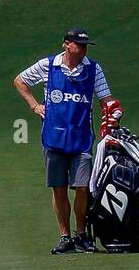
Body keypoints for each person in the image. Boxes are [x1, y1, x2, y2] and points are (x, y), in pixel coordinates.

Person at [13, 28, 115, 253]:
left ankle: (81, 235)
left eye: (85, 45)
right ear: (67, 44)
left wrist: (113, 115)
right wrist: (34, 105)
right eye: (79, 44)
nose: (83, 49)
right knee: (58, 189)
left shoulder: (93, 69)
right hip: (54, 137)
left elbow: (105, 99)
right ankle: (65, 237)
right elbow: (20, 81)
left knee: (81, 187)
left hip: (81, 137)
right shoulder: (49, 65)